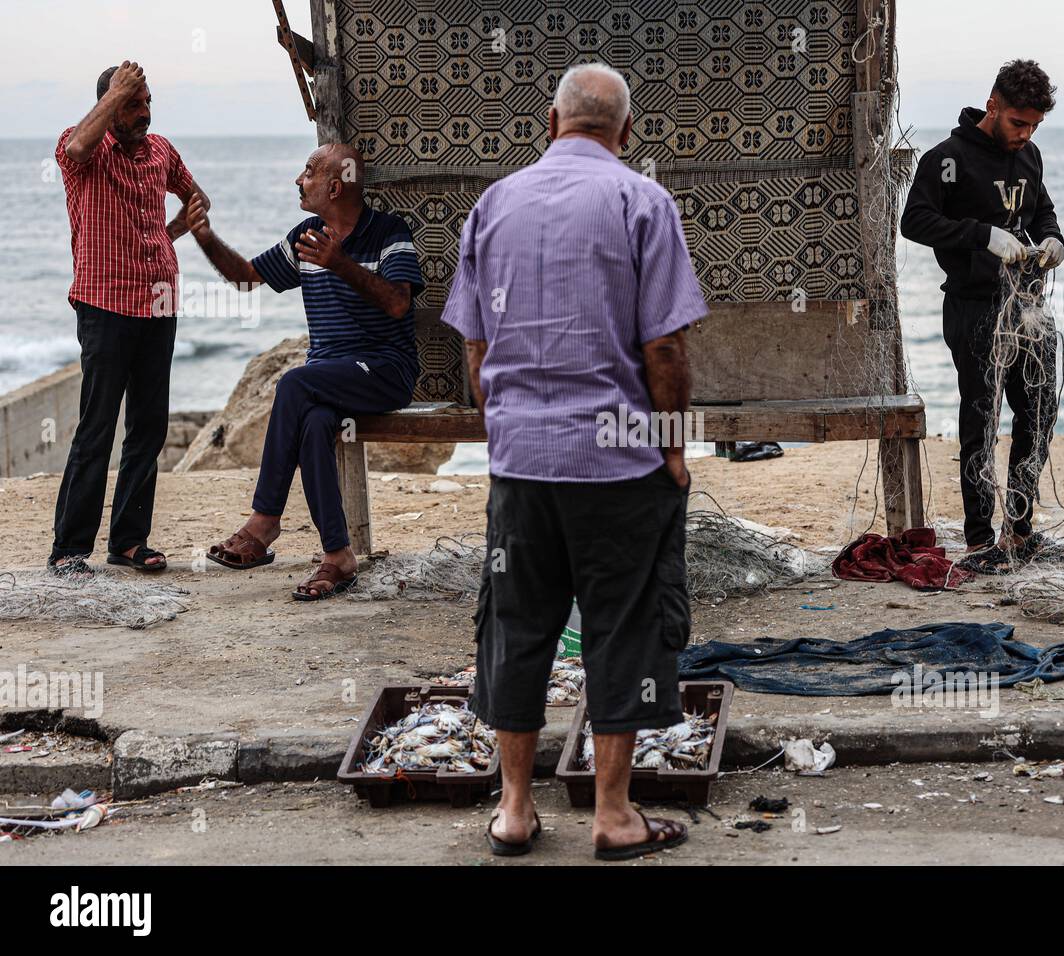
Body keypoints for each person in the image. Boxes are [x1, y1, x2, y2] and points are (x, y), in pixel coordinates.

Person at [440, 62, 707, 860]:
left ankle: (515, 811)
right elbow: (664, 344)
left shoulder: (494, 203)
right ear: (626, 133)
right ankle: (614, 815)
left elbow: (475, 349)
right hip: (619, 460)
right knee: (622, 628)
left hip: (522, 461)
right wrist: (673, 444)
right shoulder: (642, 200)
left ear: (548, 121)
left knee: (517, 628)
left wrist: (507, 433)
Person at [187, 143, 423, 599]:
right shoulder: (307, 234)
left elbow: (397, 303)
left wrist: (340, 263)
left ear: (335, 187)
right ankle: (338, 556)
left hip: (385, 372)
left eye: (309, 172)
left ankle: (263, 522)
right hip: (331, 378)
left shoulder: (389, 232)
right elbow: (246, 278)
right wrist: (206, 239)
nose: (300, 179)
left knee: (294, 381)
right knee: (314, 425)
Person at [900, 59, 1064, 574]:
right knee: (981, 419)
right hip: (973, 306)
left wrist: (1054, 238)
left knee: (1038, 415)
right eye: (1019, 122)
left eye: (1035, 125)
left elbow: (1042, 210)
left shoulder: (1030, 155)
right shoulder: (946, 159)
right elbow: (915, 221)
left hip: (1028, 307)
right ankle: (978, 541)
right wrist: (981, 234)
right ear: (992, 103)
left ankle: (1018, 530)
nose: (1026, 133)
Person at [49, 62, 209, 575]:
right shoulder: (82, 149)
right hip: (104, 307)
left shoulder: (161, 149)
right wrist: (114, 90)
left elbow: (197, 198)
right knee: (96, 428)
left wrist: (171, 232)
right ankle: (70, 549)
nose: (142, 113)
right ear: (110, 105)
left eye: (146, 103)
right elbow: (76, 148)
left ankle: (129, 541)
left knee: (148, 427)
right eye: (131, 104)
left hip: (159, 304)